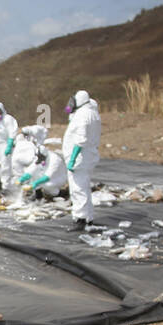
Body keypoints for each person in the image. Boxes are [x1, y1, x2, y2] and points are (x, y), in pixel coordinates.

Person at [62, 89, 101, 231]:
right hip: (87, 155)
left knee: (78, 188)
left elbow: (81, 139)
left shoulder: (83, 116)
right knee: (84, 187)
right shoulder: (91, 113)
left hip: (80, 157)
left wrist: (72, 158)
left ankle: (81, 219)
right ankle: (88, 217)